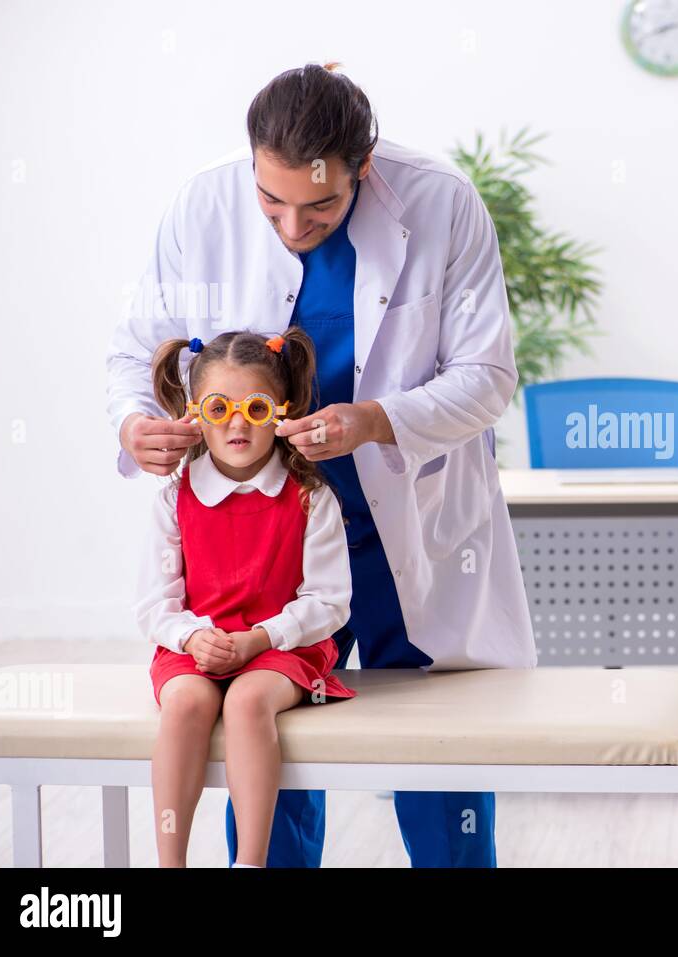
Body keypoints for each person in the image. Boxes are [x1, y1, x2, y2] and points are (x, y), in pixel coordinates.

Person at [107, 62, 537, 867]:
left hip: (404, 515)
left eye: (320, 205)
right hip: (261, 522)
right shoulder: (204, 206)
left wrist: (375, 420)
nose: (292, 226)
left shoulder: (441, 203)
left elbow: (487, 377)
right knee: (266, 720)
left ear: (363, 168)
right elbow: (137, 351)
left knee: (431, 736)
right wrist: (136, 423)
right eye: (271, 202)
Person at [136, 327, 356, 868]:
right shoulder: (174, 498)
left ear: (279, 413)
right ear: (195, 415)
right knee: (186, 702)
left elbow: (330, 602)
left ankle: (250, 862)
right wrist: (193, 636)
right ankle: (171, 863)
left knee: (247, 700)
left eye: (255, 408)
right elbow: (153, 605)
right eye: (219, 407)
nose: (237, 423)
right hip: (200, 646)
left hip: (282, 648)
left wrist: (260, 638)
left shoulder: (310, 497)